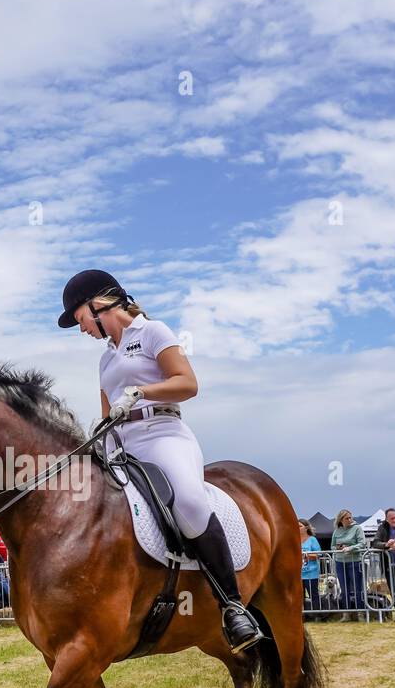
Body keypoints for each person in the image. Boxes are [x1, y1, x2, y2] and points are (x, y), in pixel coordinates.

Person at [58, 268, 260, 653]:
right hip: (122, 444)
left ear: (97, 305)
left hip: (163, 435)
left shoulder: (154, 332)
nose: (81, 328)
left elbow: (188, 383)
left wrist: (141, 391)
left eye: (79, 319)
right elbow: (107, 415)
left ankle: (233, 607)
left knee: (188, 500)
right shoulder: (105, 360)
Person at [330, 509, 366, 621]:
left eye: (350, 517)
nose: (349, 520)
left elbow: (362, 543)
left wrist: (350, 548)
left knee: (357, 588)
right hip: (340, 562)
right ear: (341, 520)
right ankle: (346, 614)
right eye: (346, 518)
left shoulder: (357, 528)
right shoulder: (337, 531)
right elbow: (332, 546)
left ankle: (361, 613)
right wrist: (338, 548)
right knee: (344, 589)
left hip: (355, 561)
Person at [299, 519, 323, 620]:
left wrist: (306, 555)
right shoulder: (294, 539)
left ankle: (317, 615)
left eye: (300, 526)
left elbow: (319, 553)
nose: (298, 528)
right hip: (299, 574)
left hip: (311, 572)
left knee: (314, 595)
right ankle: (302, 616)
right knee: (300, 596)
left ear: (306, 528)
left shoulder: (312, 539)